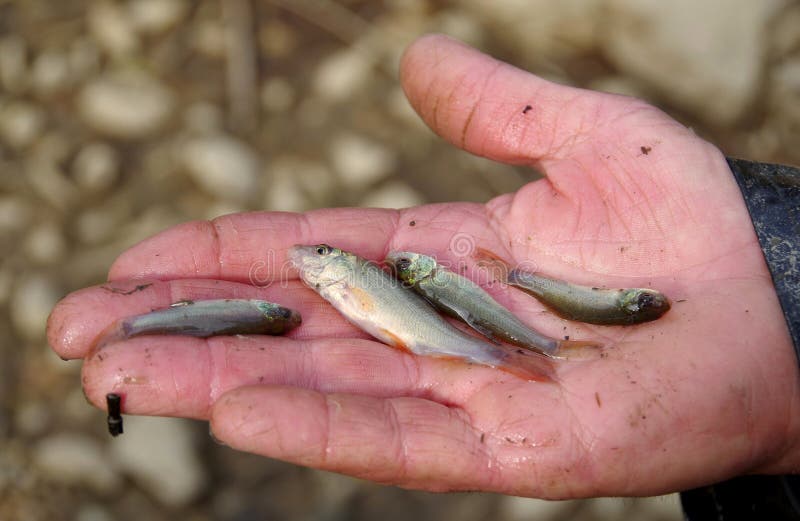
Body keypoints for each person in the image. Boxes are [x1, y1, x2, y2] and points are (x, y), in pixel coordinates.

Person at [47, 35, 800, 510]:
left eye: (320, 259)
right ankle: (521, 353)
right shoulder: (356, 282)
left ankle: (523, 354)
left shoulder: (372, 279)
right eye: (319, 261)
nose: (310, 262)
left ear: (336, 270)